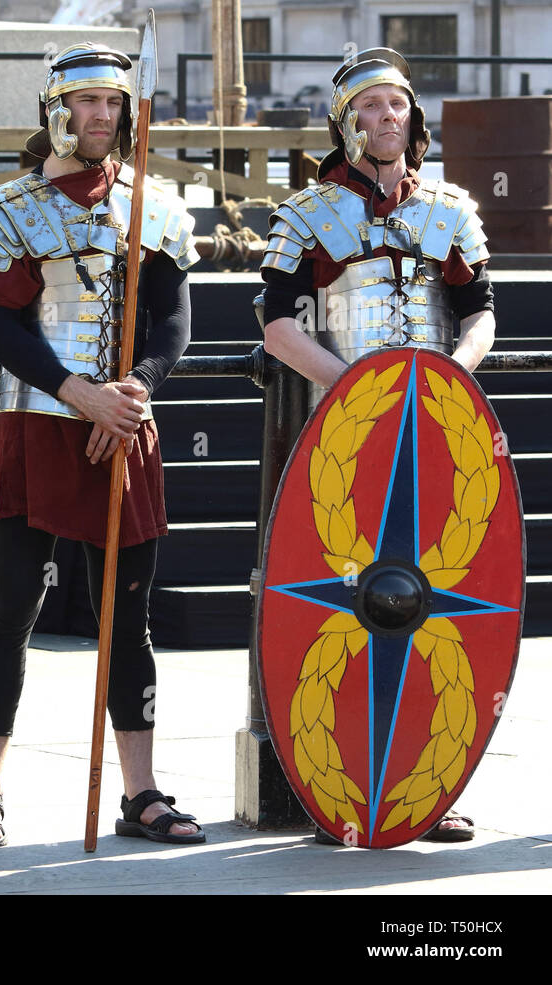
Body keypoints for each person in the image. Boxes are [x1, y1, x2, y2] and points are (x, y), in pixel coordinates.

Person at [0, 43, 200, 848]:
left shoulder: (151, 203)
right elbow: (0, 326)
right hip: (34, 419)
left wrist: (136, 389)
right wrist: (80, 392)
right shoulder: (11, 206)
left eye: (113, 104)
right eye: (88, 102)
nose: (102, 117)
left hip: (125, 426)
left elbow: (169, 315)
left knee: (128, 619)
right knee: (11, 608)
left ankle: (141, 793)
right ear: (57, 111)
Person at [260, 46, 494, 844]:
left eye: (396, 107)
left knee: (436, 611)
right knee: (346, 607)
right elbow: (277, 324)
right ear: (346, 123)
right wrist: (353, 387)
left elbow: (478, 311)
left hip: (438, 434)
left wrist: (452, 381)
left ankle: (429, 790)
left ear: (413, 120)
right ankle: (345, 789)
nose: (386, 120)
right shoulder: (306, 211)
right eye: (370, 109)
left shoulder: (450, 206)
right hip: (343, 436)